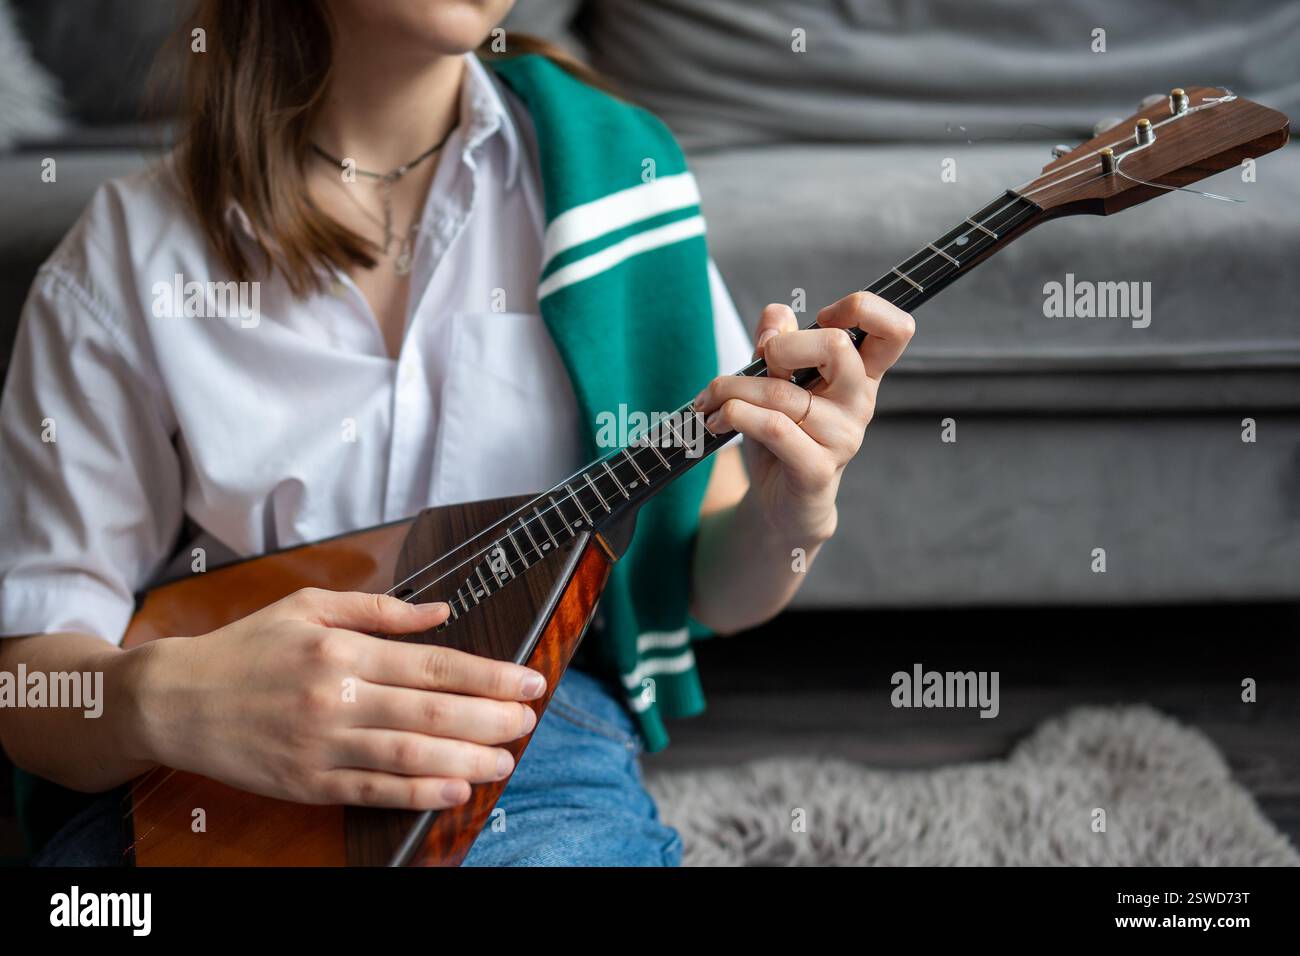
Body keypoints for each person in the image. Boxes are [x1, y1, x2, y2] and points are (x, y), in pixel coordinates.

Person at [0, 0, 914, 866]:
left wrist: (795, 514)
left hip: (523, 726)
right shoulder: (123, 258)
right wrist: (168, 702)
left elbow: (707, 586)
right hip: (223, 751)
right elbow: (31, 686)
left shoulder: (621, 179)